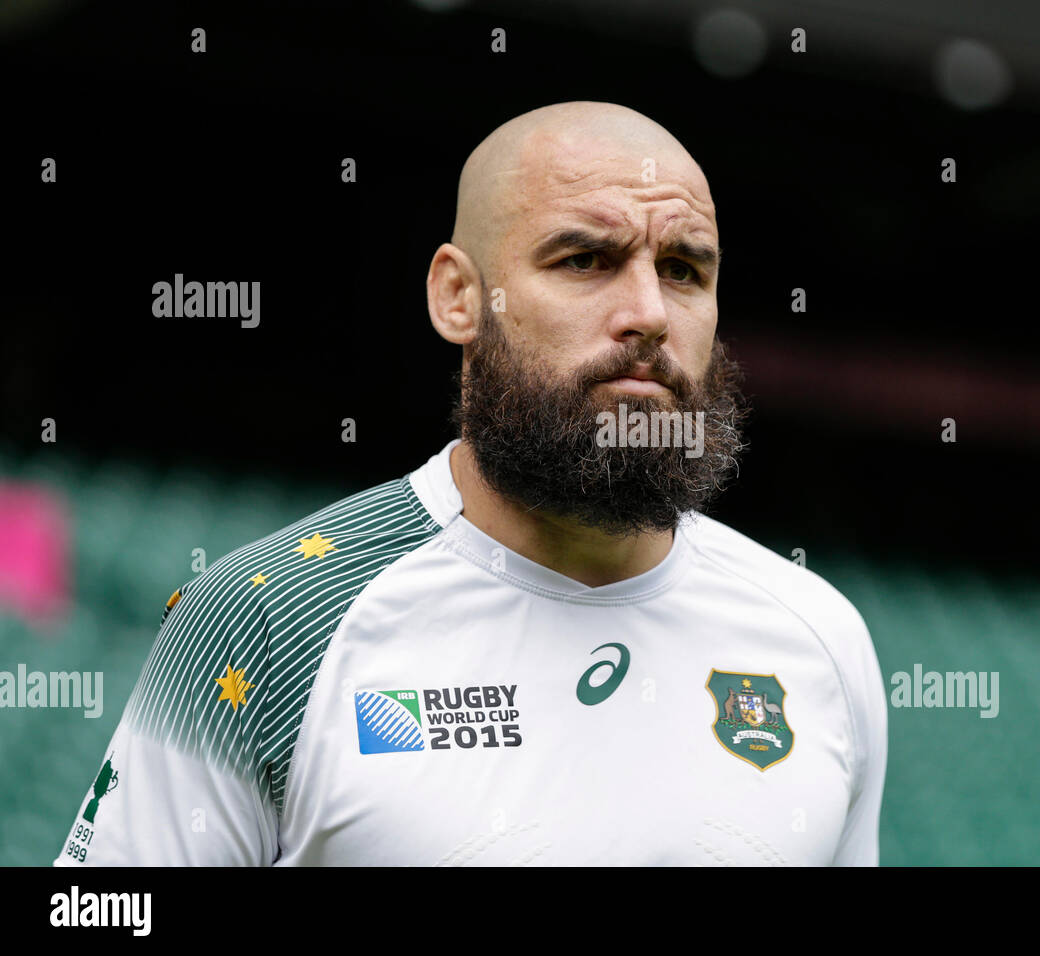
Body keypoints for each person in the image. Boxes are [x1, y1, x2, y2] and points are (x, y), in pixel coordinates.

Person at [54, 101, 887, 866]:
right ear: (458, 297)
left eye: (682, 269)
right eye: (586, 258)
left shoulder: (819, 639)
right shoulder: (271, 620)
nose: (649, 312)